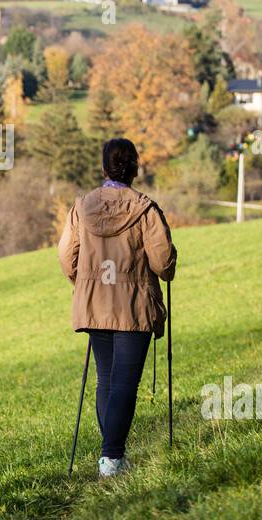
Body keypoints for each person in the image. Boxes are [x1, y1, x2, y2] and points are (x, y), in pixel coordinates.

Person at [57, 138, 177, 478]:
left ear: (104, 167)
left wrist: (86, 282)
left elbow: (67, 258)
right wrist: (169, 266)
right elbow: (163, 261)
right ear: (135, 168)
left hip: (96, 304)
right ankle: (112, 458)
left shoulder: (82, 207)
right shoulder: (146, 209)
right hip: (133, 306)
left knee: (106, 382)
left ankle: (110, 455)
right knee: (123, 385)